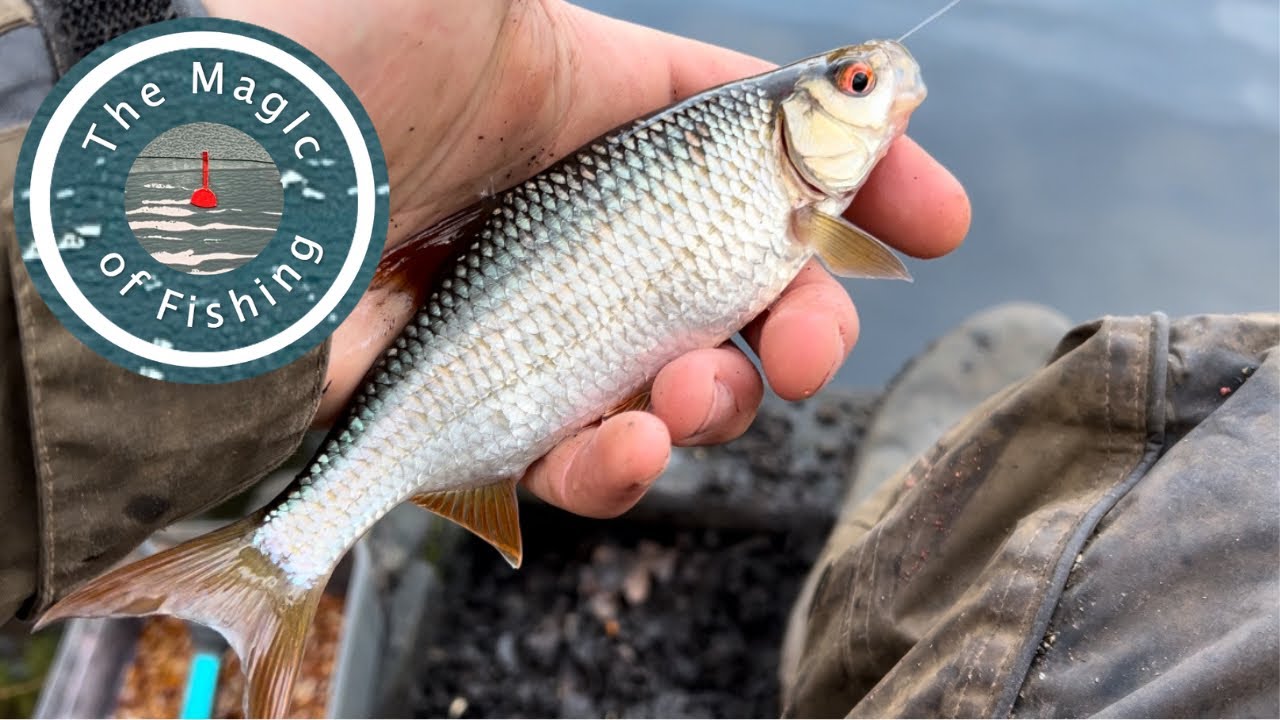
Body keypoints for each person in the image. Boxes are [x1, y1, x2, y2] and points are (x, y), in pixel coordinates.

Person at [1, 1, 1274, 717]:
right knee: (680, 409)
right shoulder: (789, 195)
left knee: (668, 413)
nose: (877, 85)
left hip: (450, 370)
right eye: (845, 82)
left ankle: (266, 560)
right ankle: (267, 566)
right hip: (467, 369)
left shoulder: (789, 191)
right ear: (798, 124)